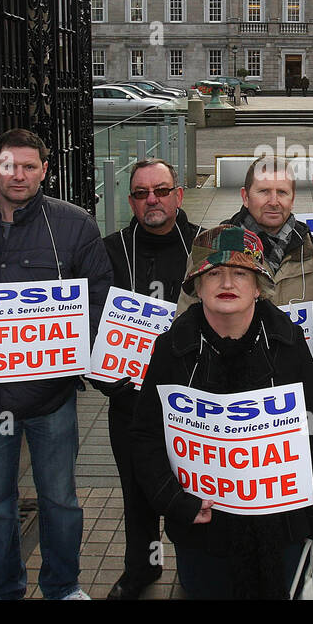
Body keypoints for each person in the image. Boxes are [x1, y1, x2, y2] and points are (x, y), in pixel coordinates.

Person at [0, 128, 112, 600]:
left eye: (30, 166)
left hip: (51, 396)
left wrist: (71, 355)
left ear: (45, 171)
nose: (19, 174)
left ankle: (63, 586)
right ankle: (3, 590)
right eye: (10, 165)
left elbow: (98, 302)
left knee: (60, 500)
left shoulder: (75, 225)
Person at [130, 225, 313, 598]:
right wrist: (178, 503)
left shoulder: (288, 346)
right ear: (197, 286)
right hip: (203, 529)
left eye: (241, 273)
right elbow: (145, 436)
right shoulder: (173, 350)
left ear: (259, 286)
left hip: (282, 527)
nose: (227, 282)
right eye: (213, 273)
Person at [98, 159, 199, 600]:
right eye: (141, 194)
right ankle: (142, 567)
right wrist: (104, 378)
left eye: (161, 190)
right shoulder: (109, 249)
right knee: (138, 491)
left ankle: (198, 568)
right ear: (131, 200)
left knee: (197, 488)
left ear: (179, 194)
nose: (151, 200)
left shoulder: (202, 245)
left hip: (192, 400)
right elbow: (86, 320)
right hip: (130, 398)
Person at [178, 157, 313, 342]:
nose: (274, 201)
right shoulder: (208, 250)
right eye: (264, 192)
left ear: (292, 199)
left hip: (296, 367)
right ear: (245, 197)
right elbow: (183, 327)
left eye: (282, 192)